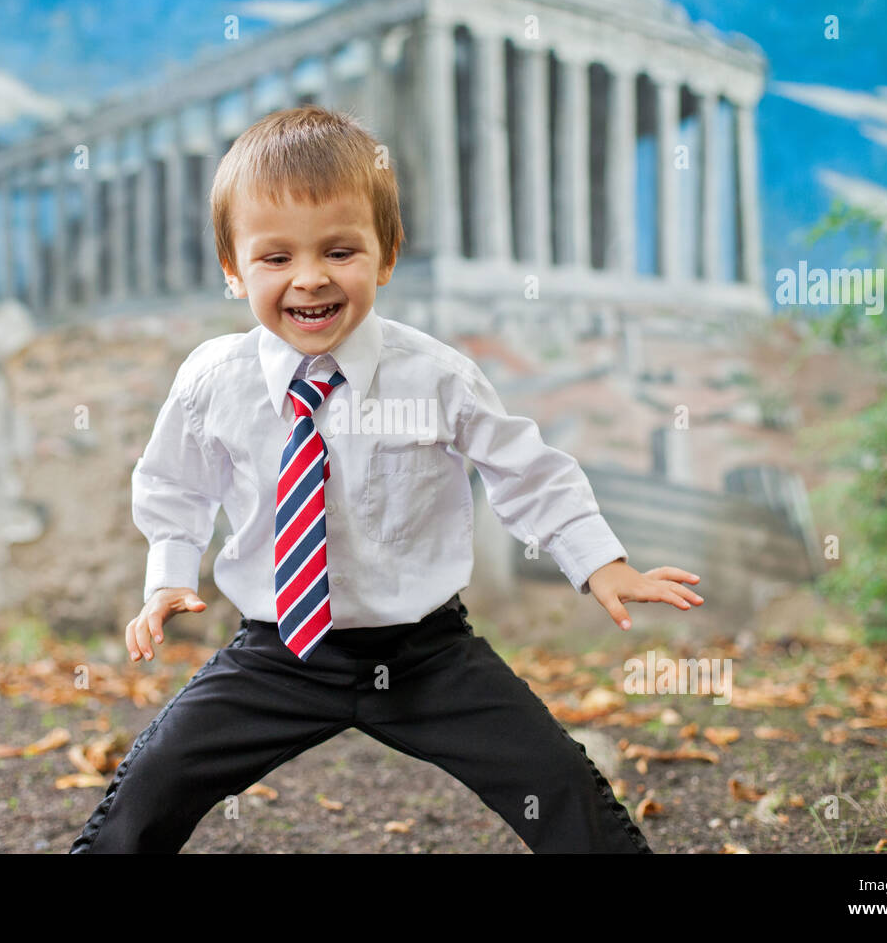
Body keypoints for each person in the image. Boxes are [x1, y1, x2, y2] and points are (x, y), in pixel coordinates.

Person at [70, 105, 703, 854]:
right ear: (233, 269)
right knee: (153, 784)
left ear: (388, 254)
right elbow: (174, 484)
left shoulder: (434, 376)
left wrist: (599, 560)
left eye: (340, 251)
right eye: (276, 258)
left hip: (427, 655)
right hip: (277, 653)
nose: (310, 279)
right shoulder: (216, 380)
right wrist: (167, 575)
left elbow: (524, 469)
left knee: (557, 785)